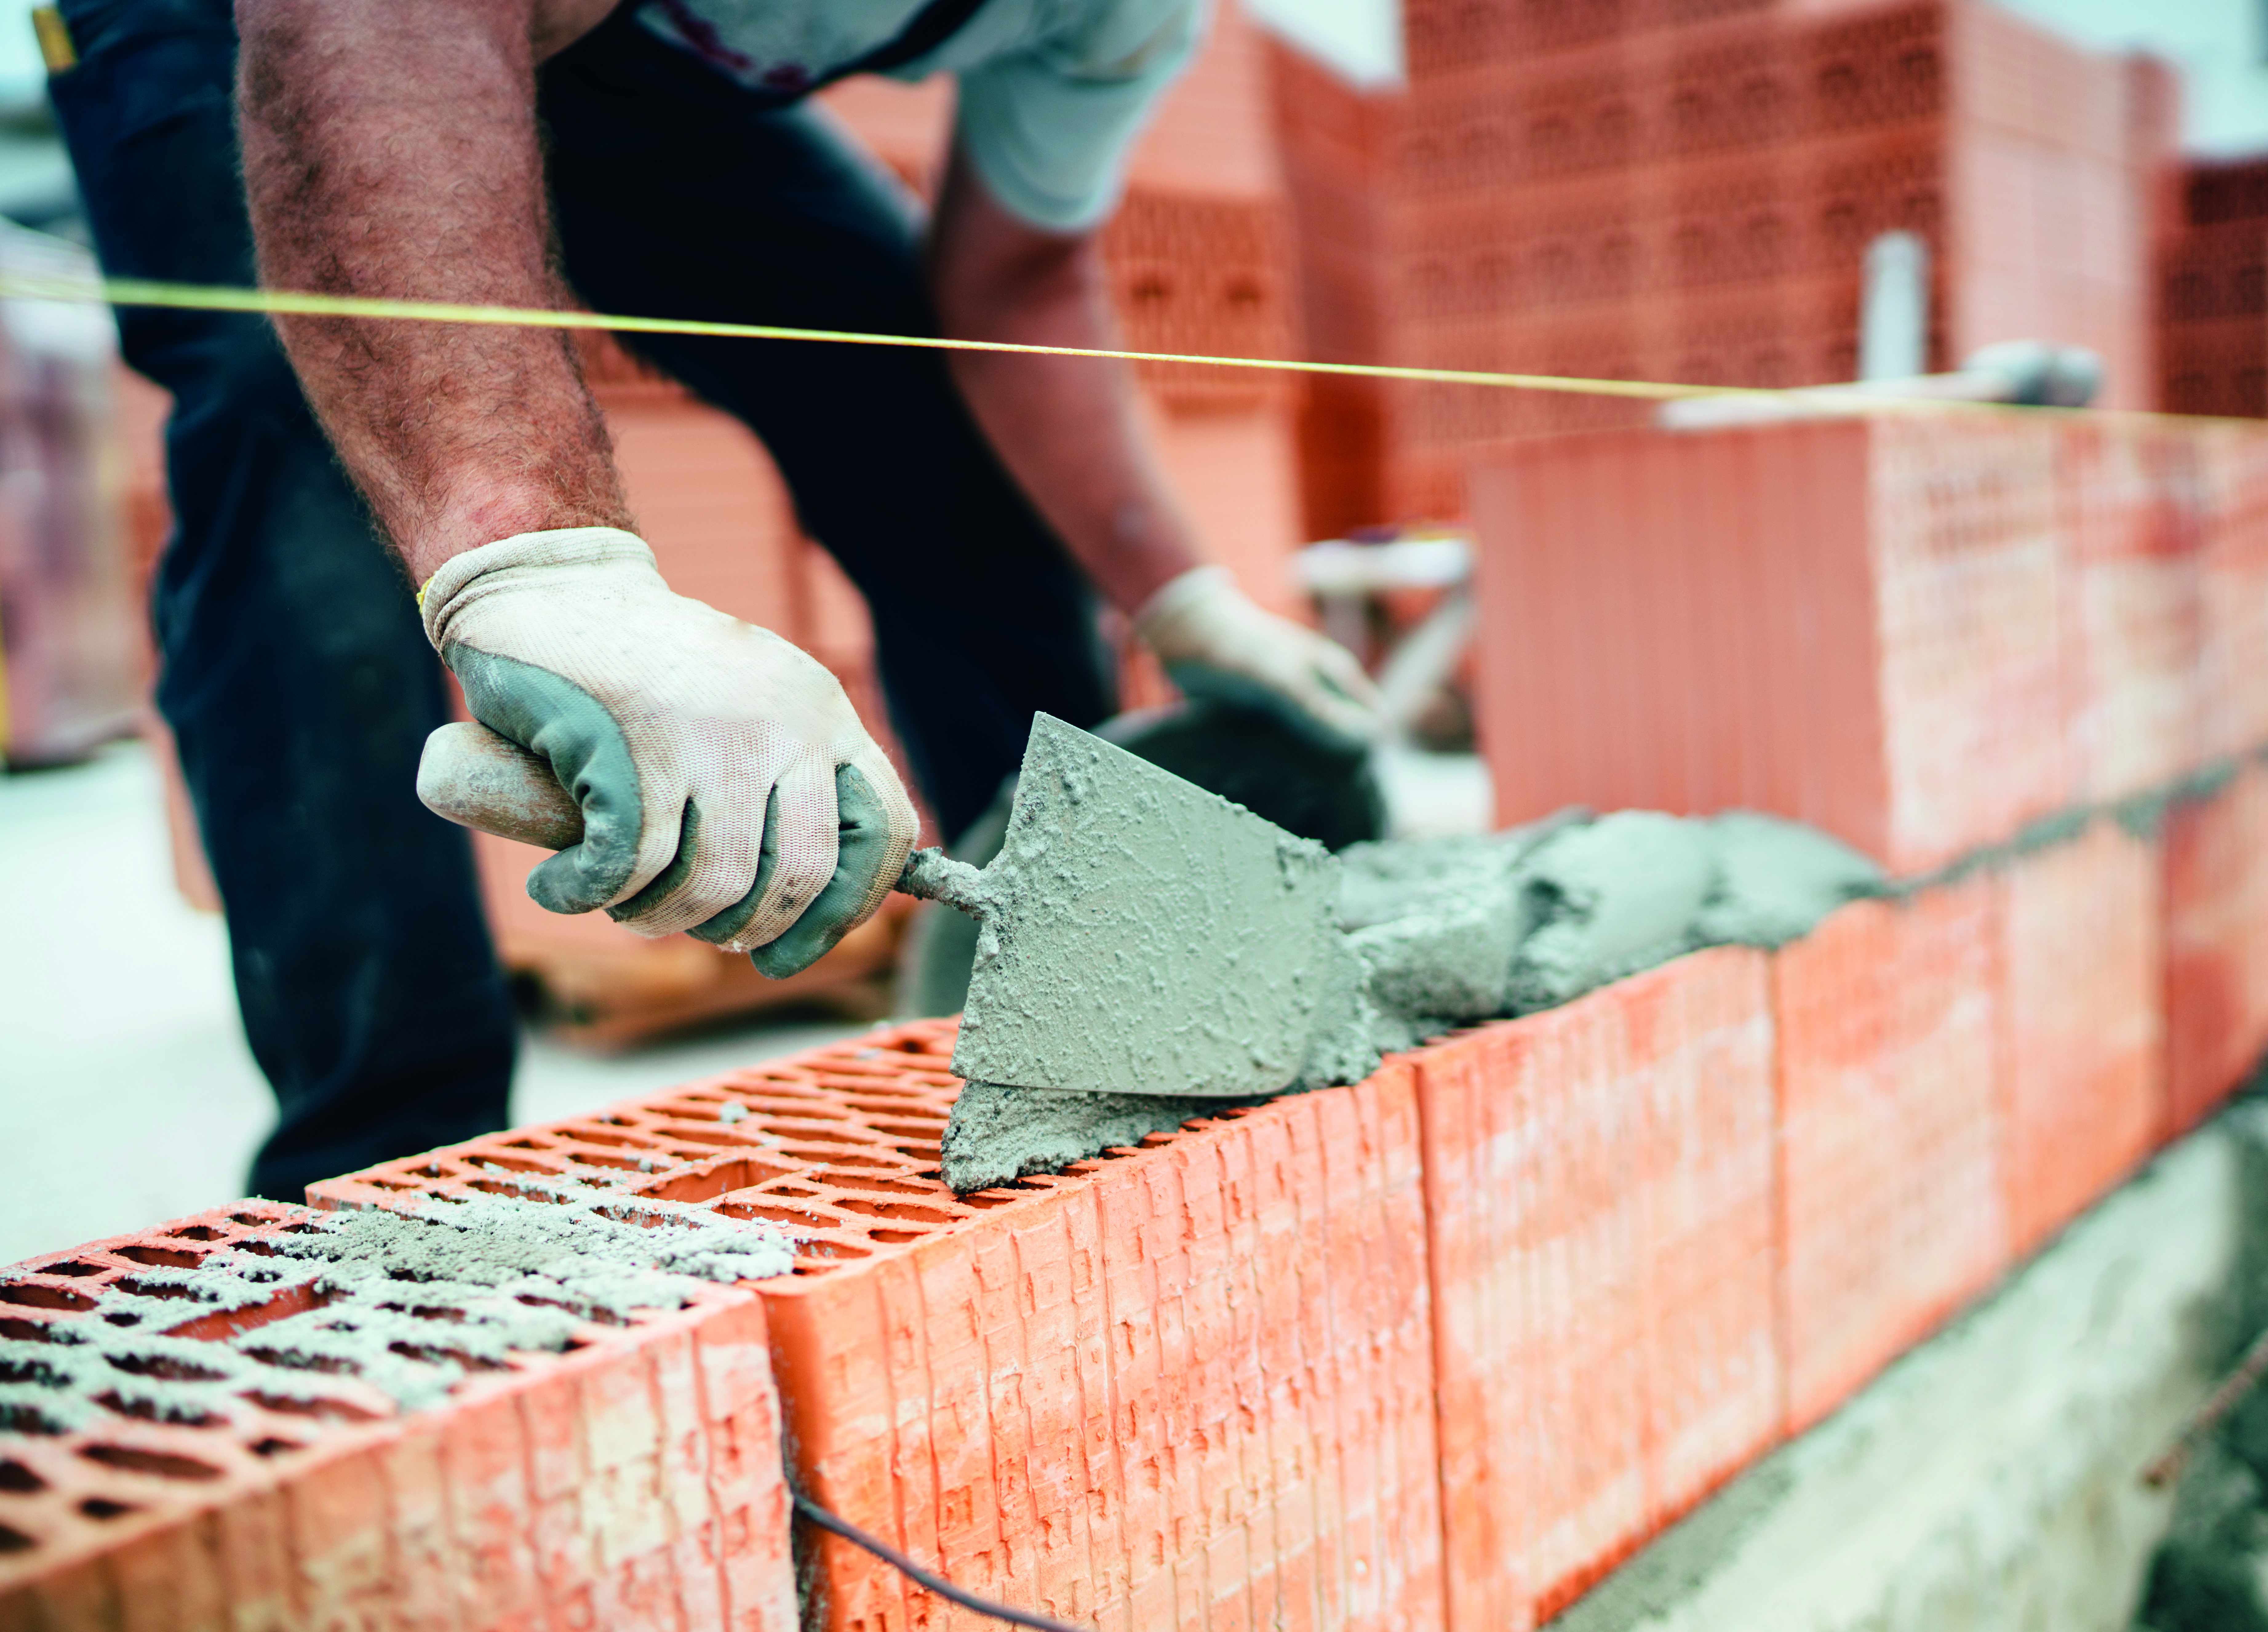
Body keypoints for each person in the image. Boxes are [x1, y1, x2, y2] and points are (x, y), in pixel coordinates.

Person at [46, 0, 1377, 1200]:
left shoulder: (1121, 18)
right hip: (272, 24)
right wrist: (537, 560)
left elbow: (1015, 278)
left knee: (922, 407)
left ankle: (1078, 998)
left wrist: (1179, 597)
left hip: (622, 52)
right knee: (297, 437)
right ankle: (389, 1171)